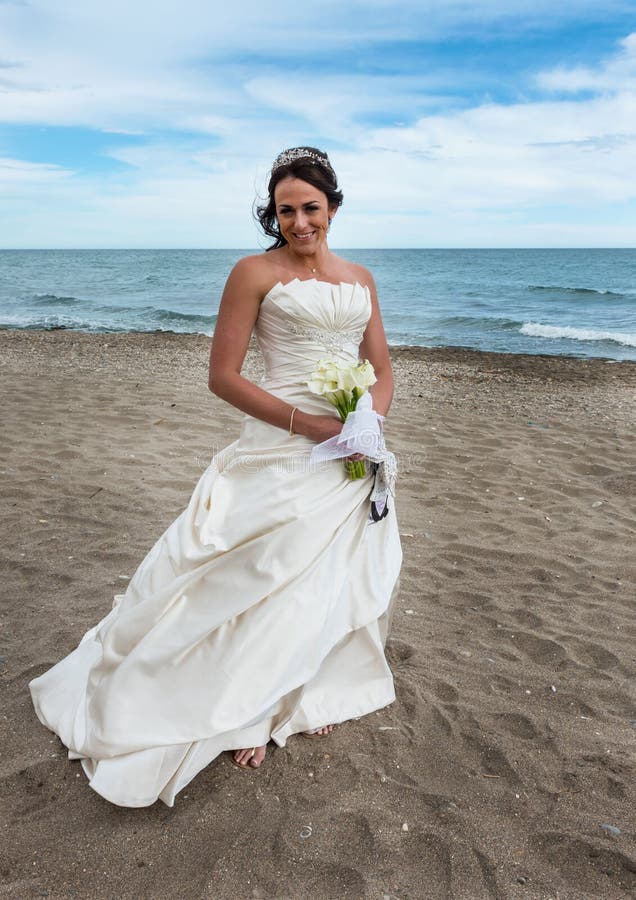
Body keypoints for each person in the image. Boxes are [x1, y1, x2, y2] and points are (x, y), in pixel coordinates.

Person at [29, 146, 403, 807]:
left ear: (334, 207)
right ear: (274, 215)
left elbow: (382, 367)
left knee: (320, 581)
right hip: (285, 443)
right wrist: (309, 426)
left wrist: (364, 424)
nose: (299, 222)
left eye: (310, 208)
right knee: (259, 571)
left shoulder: (361, 278)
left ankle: (290, 693)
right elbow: (222, 377)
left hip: (347, 449)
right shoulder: (253, 273)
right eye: (286, 211)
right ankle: (240, 710)